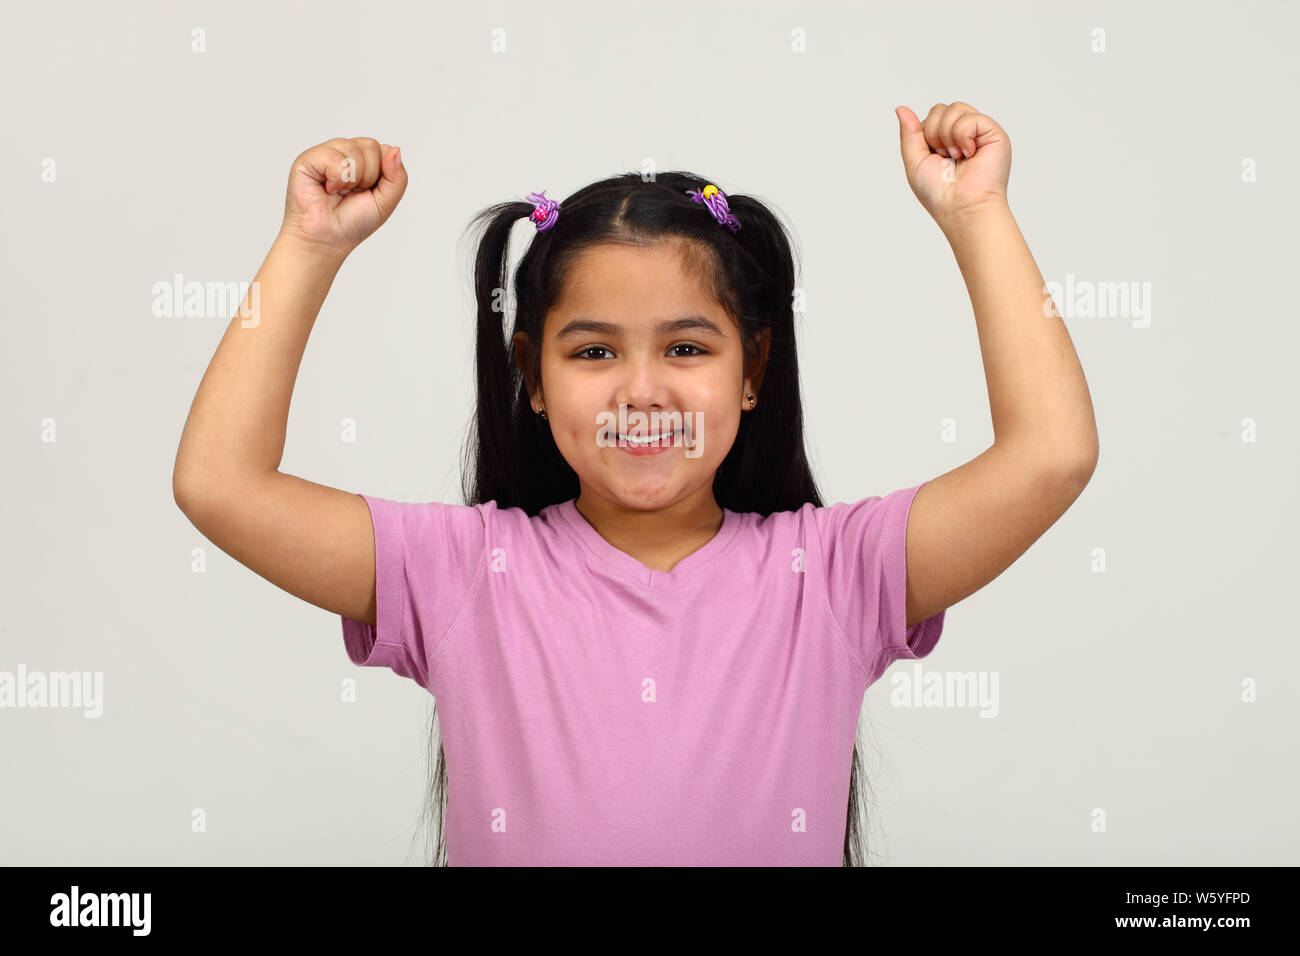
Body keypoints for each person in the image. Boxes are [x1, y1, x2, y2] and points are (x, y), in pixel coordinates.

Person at [172, 102, 1099, 866]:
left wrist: (979, 217)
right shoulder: (460, 571)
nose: (643, 387)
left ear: (752, 370)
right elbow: (219, 482)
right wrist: (309, 246)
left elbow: (1052, 454)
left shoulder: (837, 575)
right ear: (532, 376)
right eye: (594, 350)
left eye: (687, 346)